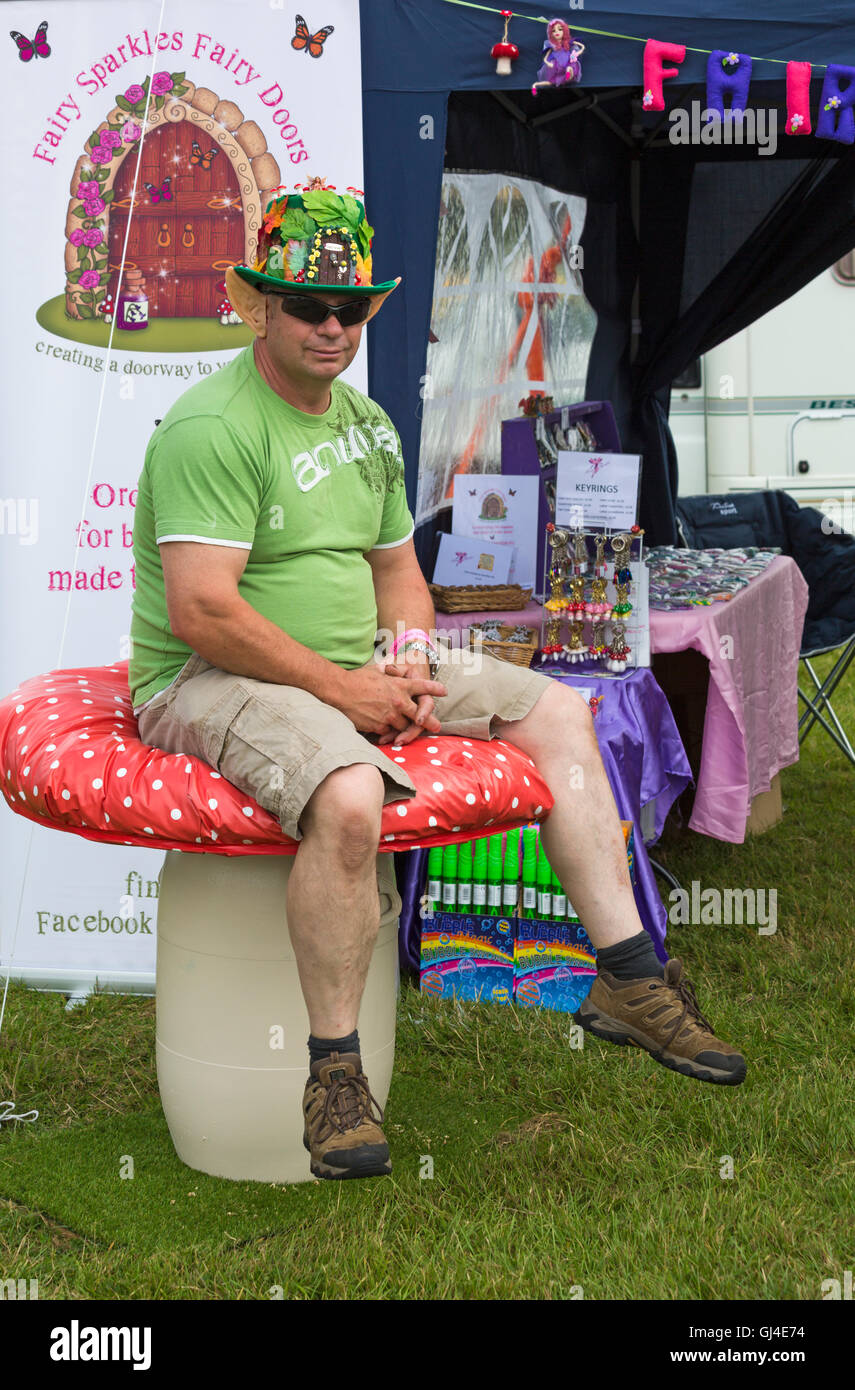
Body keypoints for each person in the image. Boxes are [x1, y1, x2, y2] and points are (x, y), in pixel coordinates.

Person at [130, 180, 746, 1183]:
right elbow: (205, 612)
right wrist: (345, 694)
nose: (335, 325)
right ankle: (334, 1075)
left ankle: (630, 978)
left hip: (343, 664)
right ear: (261, 307)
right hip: (207, 673)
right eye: (311, 305)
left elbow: (399, 579)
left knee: (558, 709)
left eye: (353, 307)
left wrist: (406, 660)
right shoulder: (213, 426)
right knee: (348, 790)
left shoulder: (367, 424)